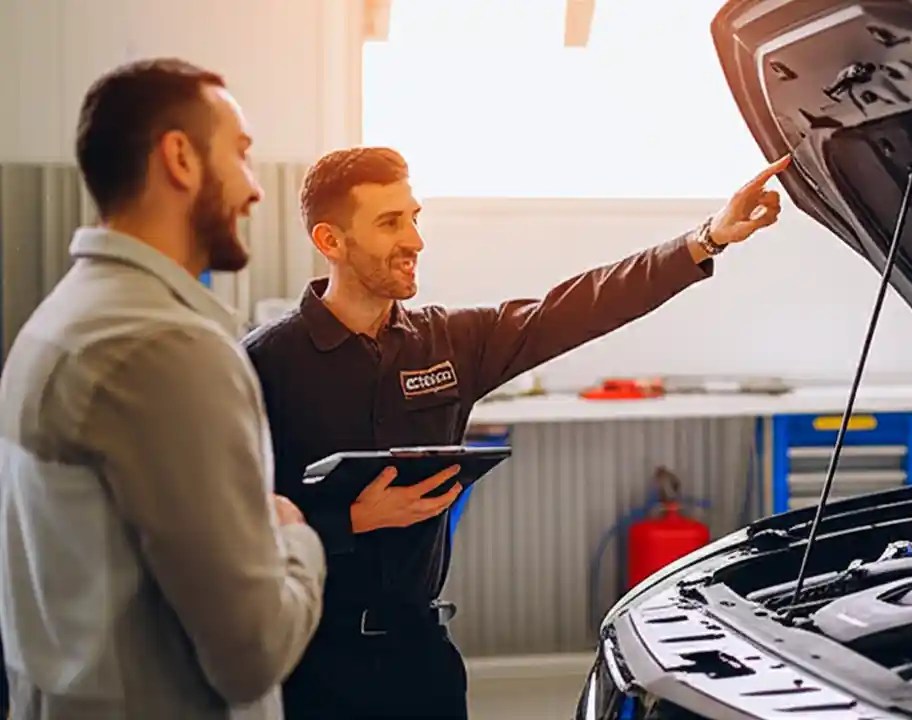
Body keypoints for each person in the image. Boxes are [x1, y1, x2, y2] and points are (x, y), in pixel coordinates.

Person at [243, 145, 789, 718]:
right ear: (330, 242)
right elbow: (219, 524)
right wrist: (349, 520)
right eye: (389, 223)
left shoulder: (450, 342)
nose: (415, 241)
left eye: (413, 218)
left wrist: (707, 239)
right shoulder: (262, 365)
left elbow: (577, 306)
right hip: (307, 663)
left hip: (422, 658)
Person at [0, 58, 327, 720]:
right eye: (241, 154)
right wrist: (295, 538)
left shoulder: (60, 317)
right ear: (179, 157)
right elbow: (252, 653)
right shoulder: (166, 349)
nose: (256, 189)